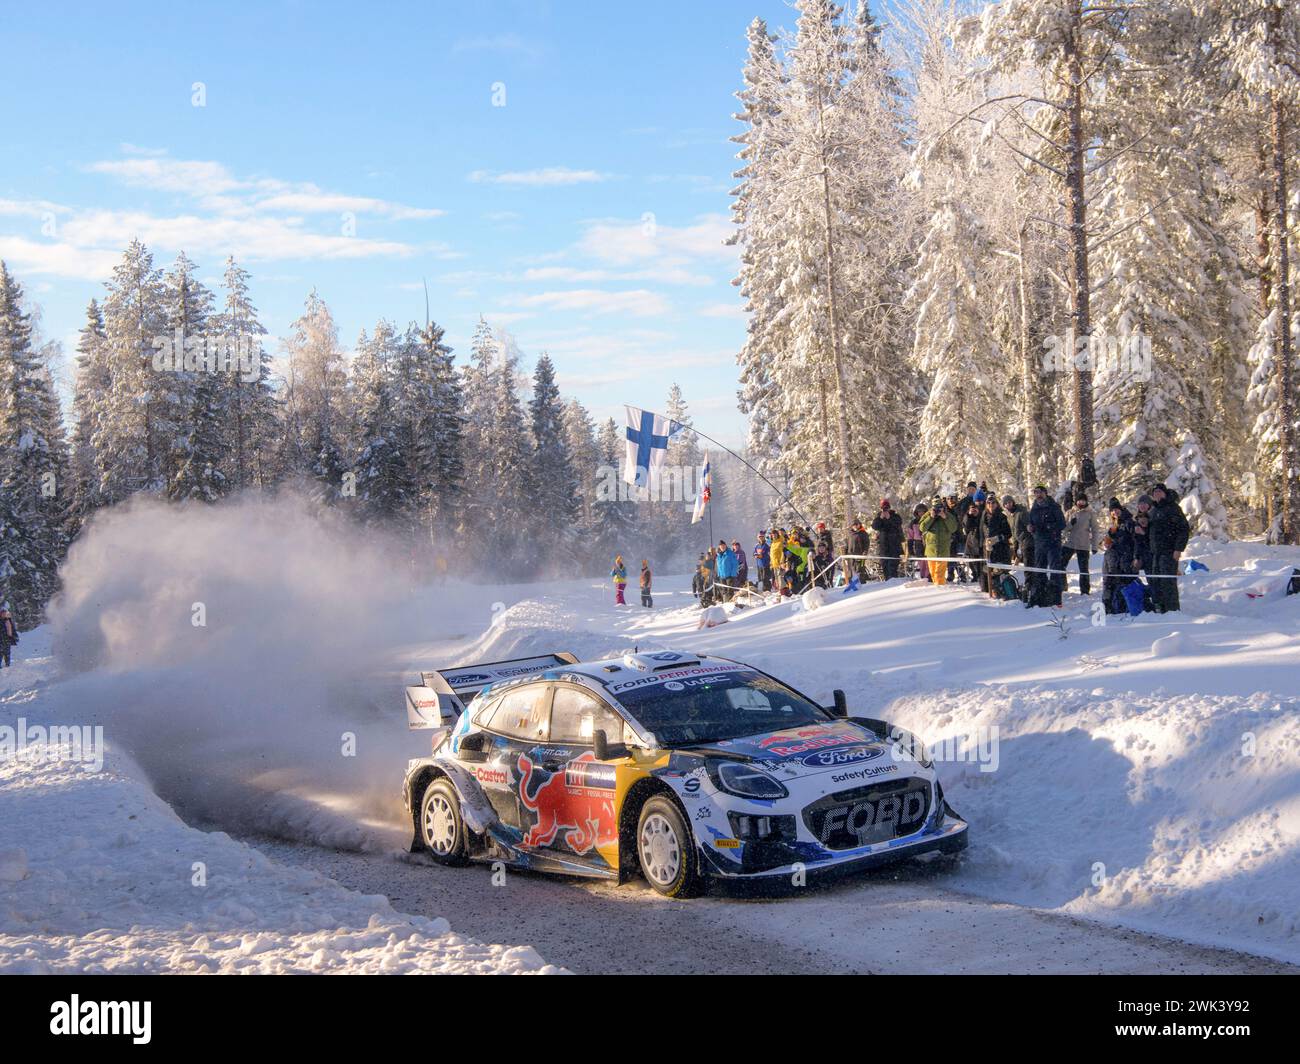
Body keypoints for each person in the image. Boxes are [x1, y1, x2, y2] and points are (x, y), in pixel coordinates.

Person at [1147, 483, 1190, 612]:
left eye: (1159, 491)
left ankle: (1172, 610)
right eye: (1155, 492)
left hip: (1169, 551)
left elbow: (1183, 529)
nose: (1157, 494)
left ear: (1165, 493)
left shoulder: (1173, 508)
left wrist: (1178, 549)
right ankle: (1161, 609)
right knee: (1156, 582)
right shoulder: (1153, 510)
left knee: (1168, 582)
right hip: (1155, 552)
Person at [1027, 485, 1066, 606]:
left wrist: (1050, 527)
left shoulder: (1054, 506)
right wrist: (1030, 528)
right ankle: (1042, 597)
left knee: (1055, 571)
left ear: (1045, 493)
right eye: (1035, 492)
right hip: (1039, 543)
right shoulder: (1033, 508)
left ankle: (1056, 599)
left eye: (1040, 492)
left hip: (1053, 543)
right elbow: (1031, 522)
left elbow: (1062, 524)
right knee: (1039, 570)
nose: (1038, 495)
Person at [1102, 504, 1139, 614]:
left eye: (1116, 509)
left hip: (1127, 558)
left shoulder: (1128, 522)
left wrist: (1135, 556)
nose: (1115, 512)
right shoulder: (1114, 525)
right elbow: (1111, 541)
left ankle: (1128, 606)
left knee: (1127, 582)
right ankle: (1113, 606)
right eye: (1112, 510)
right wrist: (1109, 542)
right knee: (1112, 581)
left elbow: (1135, 540)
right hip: (1115, 558)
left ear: (1121, 509)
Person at [1061, 492, 1098, 595]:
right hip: (1069, 543)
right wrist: (1070, 524)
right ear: (1076, 501)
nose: (1081, 502)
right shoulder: (1070, 512)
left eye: (1083, 500)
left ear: (1086, 502)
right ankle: (1062, 586)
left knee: (1083, 568)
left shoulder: (1090, 513)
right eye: (1079, 500)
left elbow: (1095, 530)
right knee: (1061, 564)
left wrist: (1094, 546)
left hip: (1083, 544)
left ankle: (1085, 591)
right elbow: (1063, 528)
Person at [919, 497, 958, 586]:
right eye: (936, 507)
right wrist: (931, 517)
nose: (938, 510)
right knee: (933, 574)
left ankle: (940, 590)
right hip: (931, 550)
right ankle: (938, 589)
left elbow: (953, 528)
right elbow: (922, 528)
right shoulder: (928, 514)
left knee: (939, 574)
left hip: (943, 550)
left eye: (939, 507)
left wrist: (945, 517)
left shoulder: (948, 515)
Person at [981, 496, 1013, 598]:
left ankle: (1005, 594)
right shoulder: (984, 516)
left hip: (1001, 549)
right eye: (989, 503)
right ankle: (994, 593)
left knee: (1001, 572)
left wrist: (997, 538)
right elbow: (981, 532)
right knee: (990, 573)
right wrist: (984, 544)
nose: (991, 505)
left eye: (993, 503)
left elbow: (1008, 533)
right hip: (988, 550)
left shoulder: (1001, 516)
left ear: (997, 504)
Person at [872, 500, 904, 580]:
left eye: (886, 508)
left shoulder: (895, 516)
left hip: (894, 547)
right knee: (885, 570)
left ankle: (894, 585)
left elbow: (898, 523)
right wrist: (880, 518)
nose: (885, 509)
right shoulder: (879, 517)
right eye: (883, 508)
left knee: (892, 570)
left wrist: (889, 518)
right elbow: (874, 526)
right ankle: (888, 587)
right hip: (883, 548)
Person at [962, 500, 984, 588]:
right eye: (972, 509)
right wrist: (969, 515)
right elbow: (966, 528)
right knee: (972, 563)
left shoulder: (981, 517)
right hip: (971, 543)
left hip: (980, 543)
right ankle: (975, 576)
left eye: (975, 509)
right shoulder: (967, 517)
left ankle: (980, 577)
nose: (974, 510)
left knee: (980, 564)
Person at [907, 504, 928, 580]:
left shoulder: (929, 520)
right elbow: (910, 536)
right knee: (921, 561)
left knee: (928, 560)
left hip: (928, 543)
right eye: (919, 511)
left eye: (923, 511)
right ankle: (923, 576)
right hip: (918, 543)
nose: (921, 513)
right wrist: (910, 549)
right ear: (916, 512)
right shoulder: (913, 522)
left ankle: (928, 576)